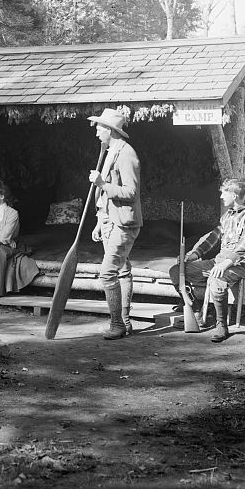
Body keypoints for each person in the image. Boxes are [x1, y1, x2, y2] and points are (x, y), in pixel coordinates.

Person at [178, 178, 245, 343]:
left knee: (218, 278)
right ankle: (195, 310)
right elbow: (212, 238)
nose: (221, 197)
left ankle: (221, 324)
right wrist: (193, 254)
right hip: (221, 262)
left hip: (244, 264)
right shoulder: (226, 217)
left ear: (234, 194)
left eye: (224, 193)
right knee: (178, 270)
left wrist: (225, 264)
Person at [87, 108, 142, 340]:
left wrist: (101, 183)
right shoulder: (111, 151)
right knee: (123, 270)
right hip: (110, 220)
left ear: (110, 130)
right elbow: (106, 197)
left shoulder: (127, 154)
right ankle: (126, 322)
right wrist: (100, 220)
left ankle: (117, 324)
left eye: (100, 127)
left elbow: (131, 192)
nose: (97, 130)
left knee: (107, 274)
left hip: (124, 223)